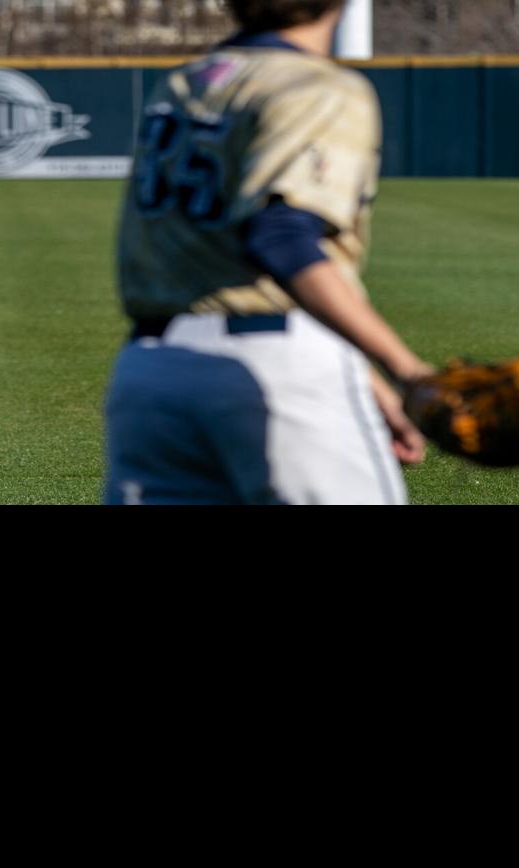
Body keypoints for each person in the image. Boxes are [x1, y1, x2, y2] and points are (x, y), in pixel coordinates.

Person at [106, 0, 434, 505]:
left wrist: (365, 381)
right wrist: (408, 371)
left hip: (150, 372)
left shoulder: (185, 83)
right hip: (274, 372)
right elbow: (280, 235)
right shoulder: (316, 85)